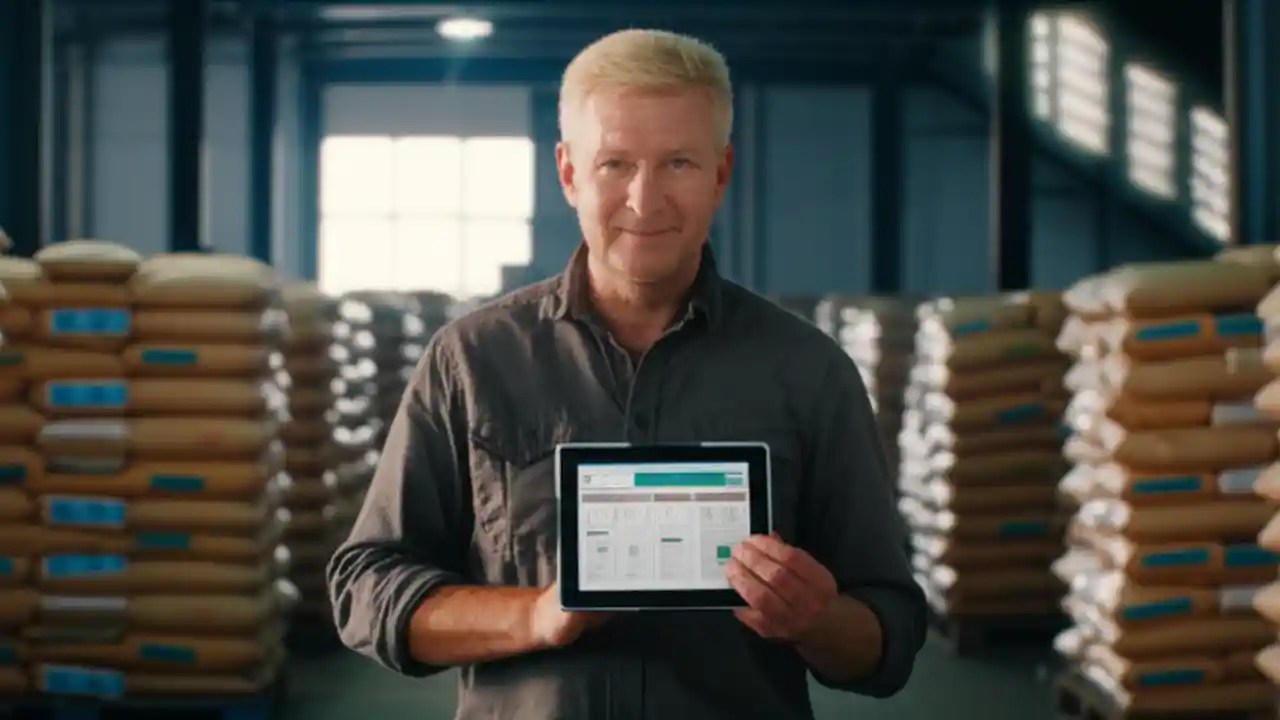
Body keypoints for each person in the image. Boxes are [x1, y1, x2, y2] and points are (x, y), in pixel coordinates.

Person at [327, 28, 926, 720]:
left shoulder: (808, 371)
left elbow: (893, 635)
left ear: (722, 173)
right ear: (569, 173)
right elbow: (366, 588)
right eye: (615, 164)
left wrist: (817, 619)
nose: (645, 201)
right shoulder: (471, 361)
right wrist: (536, 616)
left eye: (678, 163)